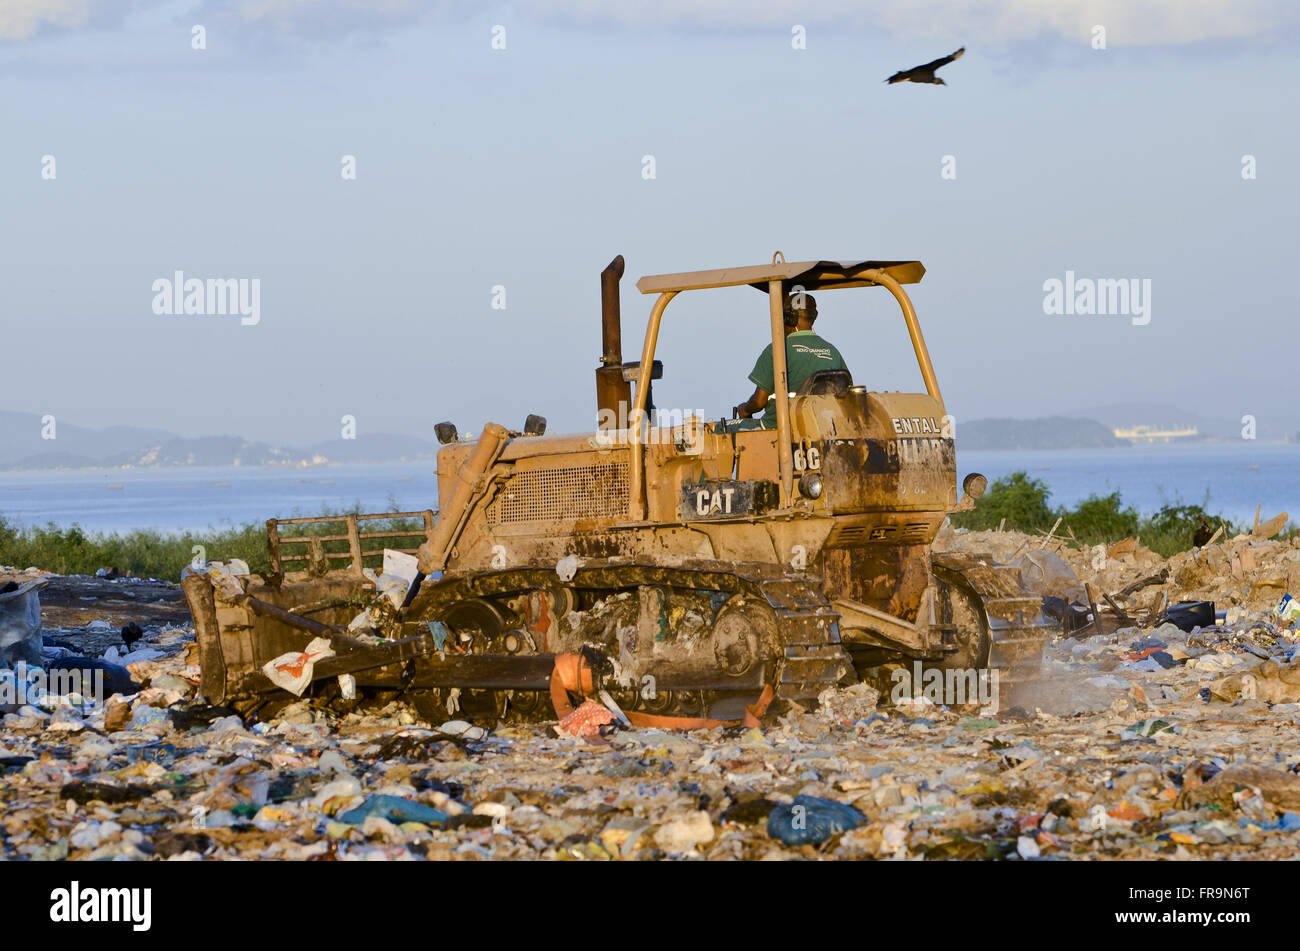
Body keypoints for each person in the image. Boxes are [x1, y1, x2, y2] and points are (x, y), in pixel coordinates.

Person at [728, 292, 847, 430]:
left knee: (719, 429)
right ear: (814, 317)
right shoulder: (832, 351)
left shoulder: (778, 349)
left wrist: (745, 410)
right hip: (824, 426)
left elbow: (759, 402)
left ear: (789, 319)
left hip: (781, 425)